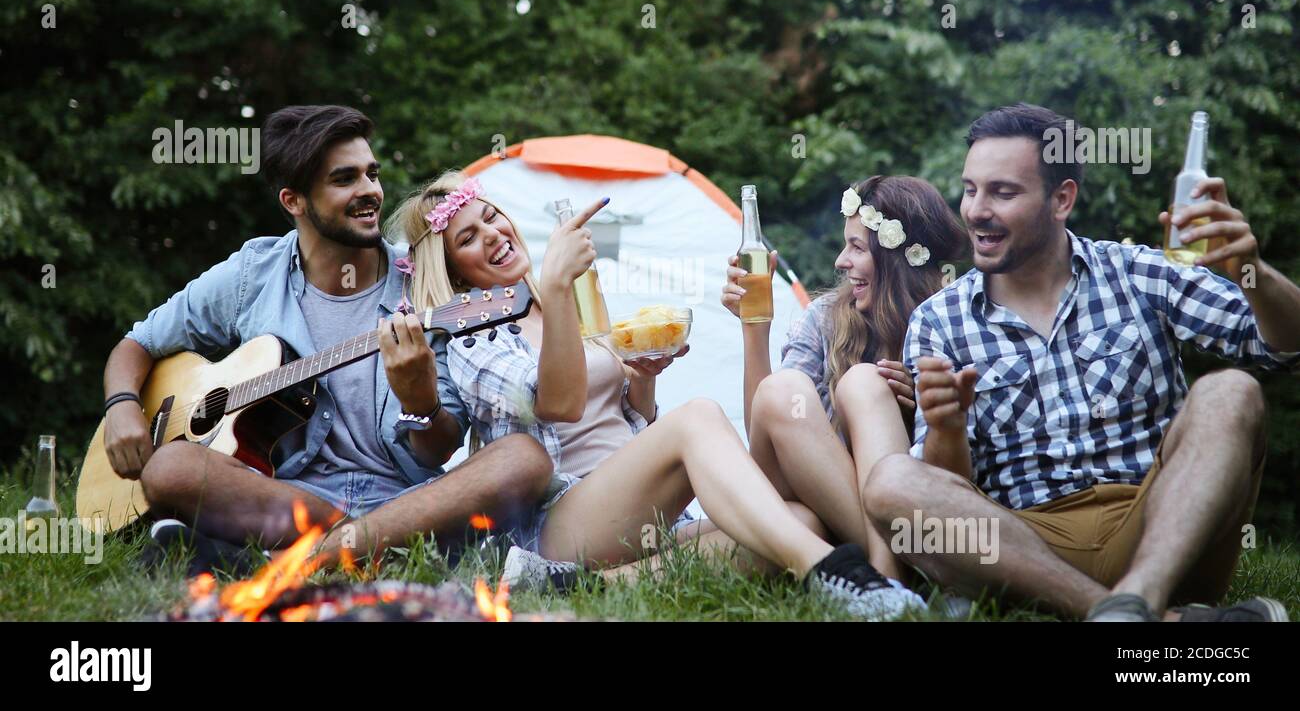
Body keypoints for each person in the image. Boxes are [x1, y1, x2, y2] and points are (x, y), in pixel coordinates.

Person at [385, 170, 928, 619]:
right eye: (468, 238)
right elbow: (558, 403)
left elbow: (625, 422)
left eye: (491, 218)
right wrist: (552, 283)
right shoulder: (474, 338)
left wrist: (641, 382)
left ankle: (573, 588)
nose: (493, 235)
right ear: (452, 270)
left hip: (626, 515)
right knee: (699, 418)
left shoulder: (570, 304)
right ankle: (843, 578)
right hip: (557, 518)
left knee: (795, 523)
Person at [867, 102, 1298, 621]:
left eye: (1003, 192)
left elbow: (1281, 347)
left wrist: (1253, 271)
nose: (977, 210)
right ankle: (1133, 615)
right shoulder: (940, 321)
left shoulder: (1138, 272)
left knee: (1233, 391)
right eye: (970, 189)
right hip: (1026, 546)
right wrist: (947, 427)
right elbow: (945, 488)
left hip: (1164, 529)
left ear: (1061, 199)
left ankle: (1137, 596)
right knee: (893, 480)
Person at [101, 105, 552, 570]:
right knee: (169, 468)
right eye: (345, 179)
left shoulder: (424, 289)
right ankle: (352, 552)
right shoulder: (252, 276)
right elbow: (136, 345)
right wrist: (121, 405)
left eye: (371, 174)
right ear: (294, 201)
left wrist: (422, 401)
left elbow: (438, 449)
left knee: (523, 459)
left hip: (404, 503)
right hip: (286, 498)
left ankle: (298, 559)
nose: (370, 192)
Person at [721, 175, 966, 584]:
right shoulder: (824, 319)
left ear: (899, 257)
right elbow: (768, 430)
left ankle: (882, 579)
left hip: (919, 514)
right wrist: (753, 329)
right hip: (820, 505)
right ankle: (891, 578)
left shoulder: (951, 323)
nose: (840, 261)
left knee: (863, 383)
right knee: (784, 389)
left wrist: (925, 404)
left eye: (856, 247)